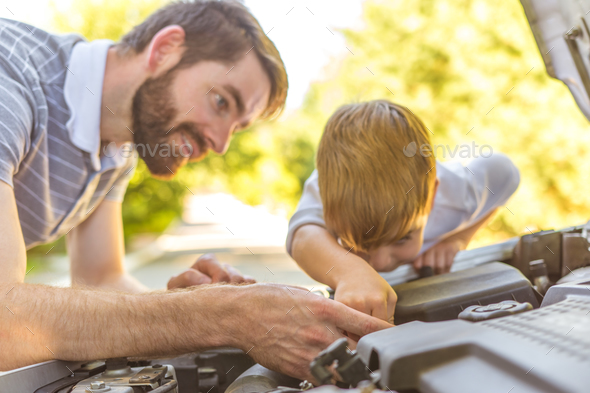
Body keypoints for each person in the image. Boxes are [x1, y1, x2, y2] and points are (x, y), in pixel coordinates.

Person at [0, 0, 391, 380]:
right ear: (166, 49)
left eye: (237, 128)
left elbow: (101, 279)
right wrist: (221, 314)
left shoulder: (118, 147)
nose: (221, 144)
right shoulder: (10, 77)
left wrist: (189, 304)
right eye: (222, 101)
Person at [287, 100, 520, 324]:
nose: (378, 262)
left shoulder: (458, 196)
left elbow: (507, 174)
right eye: (357, 242)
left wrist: (458, 239)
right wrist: (350, 272)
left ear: (431, 199)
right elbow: (302, 236)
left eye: (401, 239)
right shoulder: (330, 187)